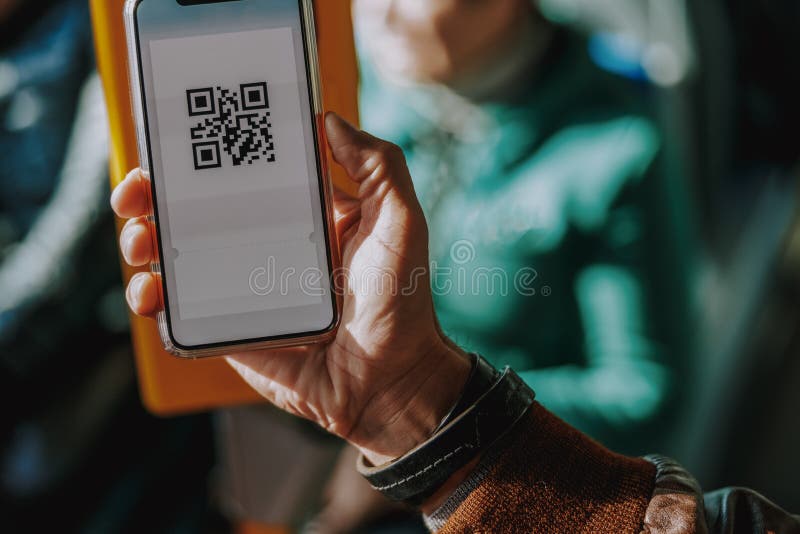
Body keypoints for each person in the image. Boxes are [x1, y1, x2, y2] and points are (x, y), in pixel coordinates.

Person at [111, 113, 799, 533]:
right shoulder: (346, 80)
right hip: (349, 449)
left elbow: (645, 390)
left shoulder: (615, 148)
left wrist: (443, 419)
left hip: (514, 477)